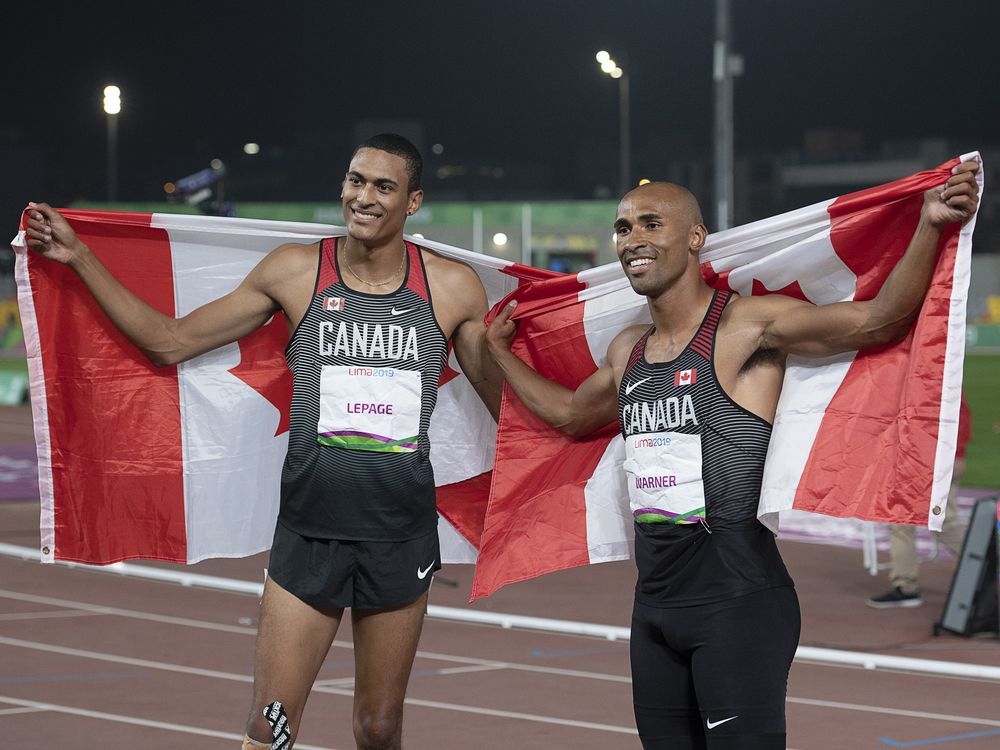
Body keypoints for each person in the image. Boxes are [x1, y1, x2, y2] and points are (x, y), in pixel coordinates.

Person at [24, 133, 502, 750]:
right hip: (309, 534)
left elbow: (502, 403)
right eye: (356, 180)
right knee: (269, 726)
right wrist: (81, 256)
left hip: (399, 537)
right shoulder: (297, 271)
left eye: (384, 186)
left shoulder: (454, 289)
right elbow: (169, 342)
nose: (364, 196)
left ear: (413, 202)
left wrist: (525, 361)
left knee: (379, 728)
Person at [486, 164, 979, 749]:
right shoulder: (629, 351)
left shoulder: (743, 326)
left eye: (650, 223)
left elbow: (877, 321)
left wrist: (928, 223)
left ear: (695, 237)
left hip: (739, 605)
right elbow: (569, 414)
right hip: (655, 611)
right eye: (622, 228)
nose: (632, 239)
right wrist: (499, 353)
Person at [868, 394, 973, 608]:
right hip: (910, 456)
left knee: (945, 522)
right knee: (899, 519)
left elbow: (958, 411)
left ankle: (984, 565)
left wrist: (958, 454)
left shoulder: (937, 367)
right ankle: (905, 586)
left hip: (937, 458)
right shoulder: (912, 367)